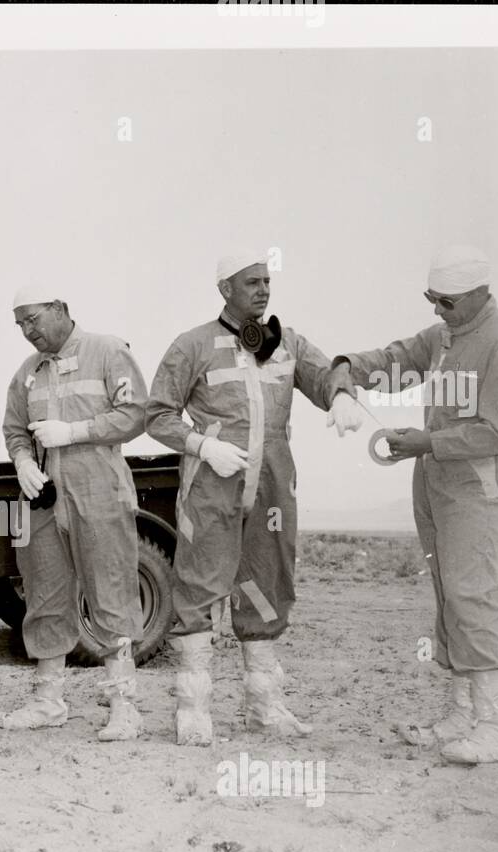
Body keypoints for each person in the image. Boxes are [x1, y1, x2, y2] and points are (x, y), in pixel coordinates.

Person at [330, 245, 498, 765]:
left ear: (477, 294)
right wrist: (344, 368)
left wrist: (427, 442)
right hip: (435, 485)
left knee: (472, 595)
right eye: (432, 300)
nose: (437, 311)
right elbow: (395, 361)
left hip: (478, 488)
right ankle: (461, 713)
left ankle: (495, 723)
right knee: (449, 595)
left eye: (445, 302)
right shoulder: (444, 336)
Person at [146, 252, 365, 744]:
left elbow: (327, 374)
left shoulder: (287, 343)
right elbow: (157, 414)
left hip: (271, 484)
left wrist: (343, 395)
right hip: (212, 483)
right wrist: (202, 444)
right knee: (200, 586)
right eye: (252, 282)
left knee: (266, 582)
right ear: (225, 288)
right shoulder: (192, 345)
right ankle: (193, 708)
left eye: (267, 281)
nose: (264, 290)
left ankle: (265, 707)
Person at [0, 285, 149, 741]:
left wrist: (75, 431)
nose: (27, 331)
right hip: (44, 502)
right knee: (44, 594)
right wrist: (23, 461)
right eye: (20, 323)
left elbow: (136, 413)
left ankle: (124, 706)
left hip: (98, 492)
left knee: (111, 590)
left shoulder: (107, 352)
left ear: (60, 309)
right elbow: (13, 429)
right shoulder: (28, 373)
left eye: (33, 320)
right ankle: (47, 701)